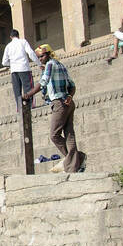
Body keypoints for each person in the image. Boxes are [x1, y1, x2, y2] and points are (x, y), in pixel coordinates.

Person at [21, 45, 84, 174]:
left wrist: (28, 94)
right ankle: (74, 164)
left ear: (49, 54)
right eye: (38, 58)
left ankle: (75, 159)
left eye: (42, 56)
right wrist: (70, 97)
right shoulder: (60, 65)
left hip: (59, 103)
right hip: (67, 103)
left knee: (54, 135)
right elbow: (72, 86)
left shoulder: (50, 65)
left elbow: (43, 82)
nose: (41, 59)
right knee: (69, 134)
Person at [1, 29, 38, 112]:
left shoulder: (8, 46)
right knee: (28, 88)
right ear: (18, 35)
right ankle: (30, 105)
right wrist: (38, 63)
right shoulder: (23, 42)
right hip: (24, 68)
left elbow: (4, 62)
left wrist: (12, 63)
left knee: (17, 90)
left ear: (10, 37)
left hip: (14, 70)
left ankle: (19, 108)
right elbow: (31, 53)